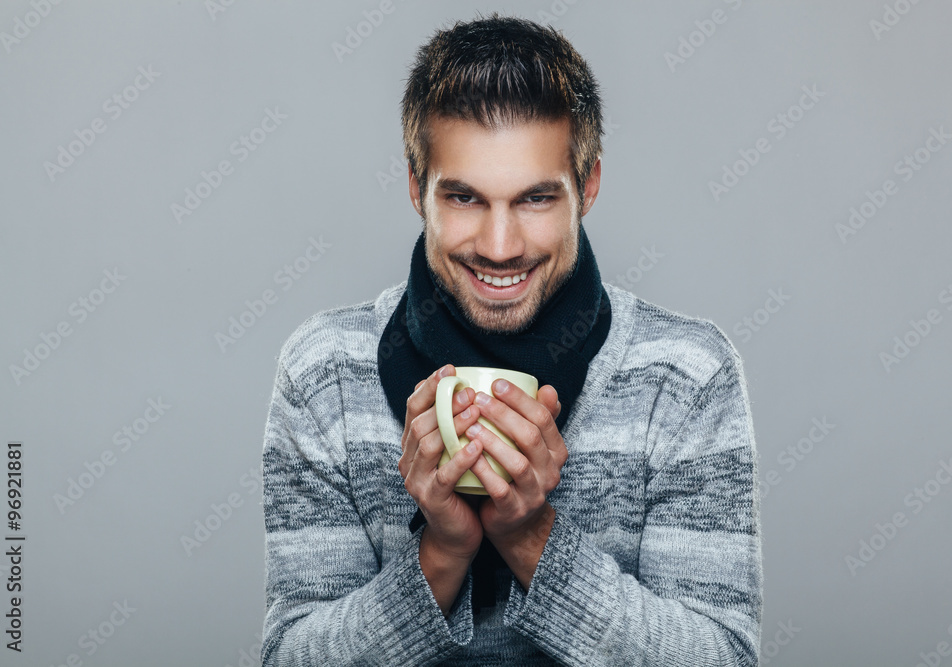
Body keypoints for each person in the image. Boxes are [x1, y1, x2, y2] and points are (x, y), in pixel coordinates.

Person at [261, 13, 762, 666]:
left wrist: (531, 534)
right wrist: (440, 552)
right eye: (466, 198)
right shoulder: (324, 374)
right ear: (417, 189)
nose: (500, 248)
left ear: (588, 187)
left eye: (534, 200)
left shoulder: (687, 378)